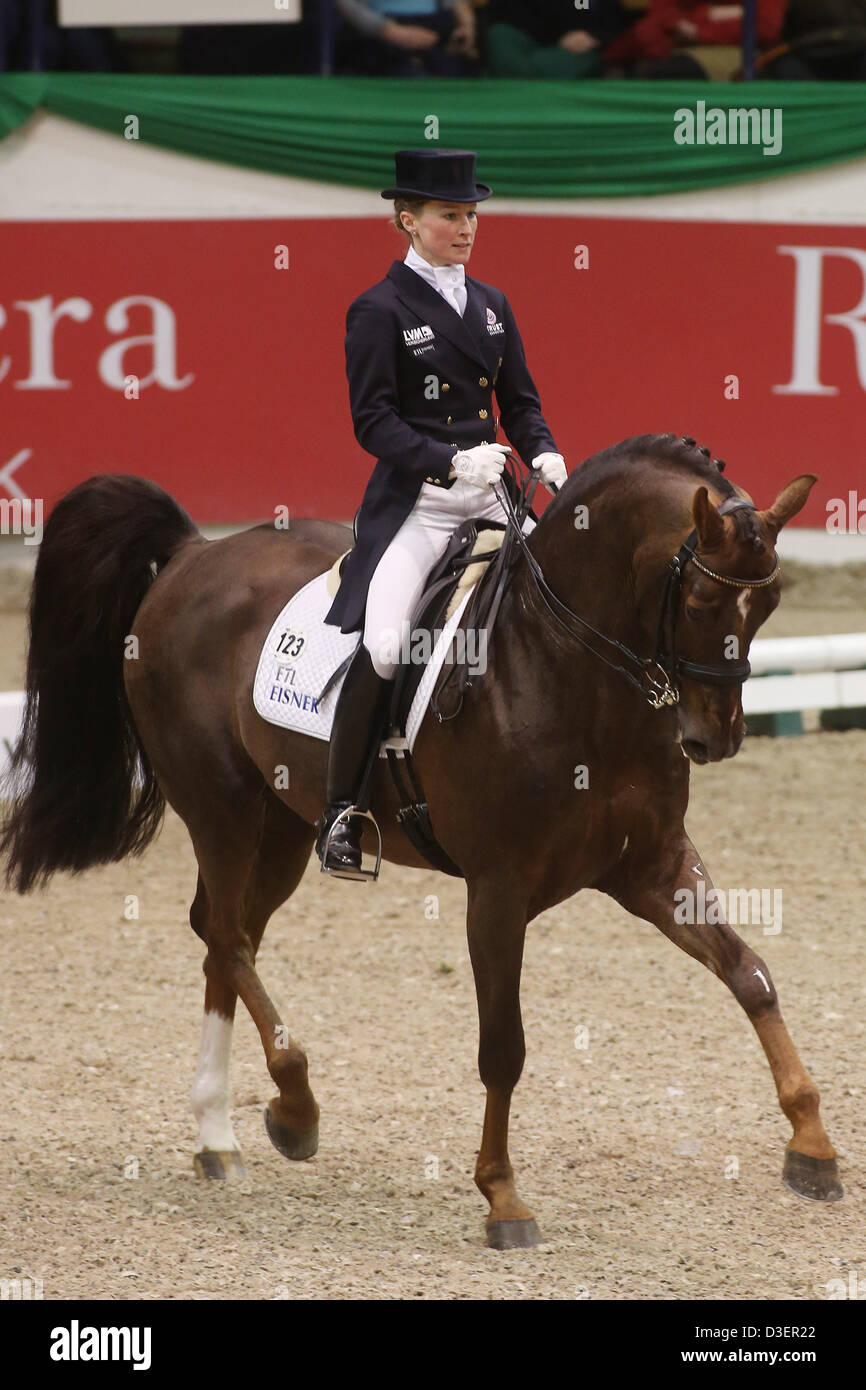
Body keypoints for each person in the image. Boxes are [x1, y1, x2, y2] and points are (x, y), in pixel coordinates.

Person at [316, 148, 566, 877]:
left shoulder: (491, 304)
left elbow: (518, 403)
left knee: (561, 608)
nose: (466, 228)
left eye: (471, 215)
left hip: (495, 496)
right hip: (420, 509)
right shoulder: (379, 309)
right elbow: (373, 422)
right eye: (451, 216)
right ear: (409, 220)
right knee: (390, 643)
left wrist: (543, 451)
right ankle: (341, 814)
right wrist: (448, 458)